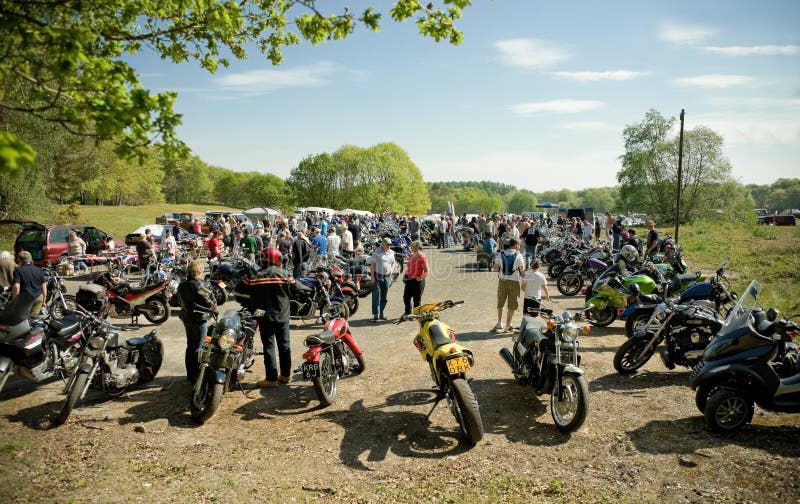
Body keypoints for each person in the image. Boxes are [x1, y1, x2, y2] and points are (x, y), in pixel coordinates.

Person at [235, 247, 295, 388]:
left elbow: (238, 293)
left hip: (263, 316)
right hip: (282, 315)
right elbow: (298, 290)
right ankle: (286, 376)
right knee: (284, 346)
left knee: (269, 346)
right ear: (277, 259)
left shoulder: (254, 276)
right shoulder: (286, 275)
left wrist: (251, 306)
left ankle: (271, 379)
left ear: (263, 259)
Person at [177, 260, 215, 383]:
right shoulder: (200, 285)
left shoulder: (182, 285)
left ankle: (191, 374)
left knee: (190, 345)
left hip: (186, 317)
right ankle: (198, 376)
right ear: (199, 271)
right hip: (199, 318)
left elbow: (178, 301)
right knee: (199, 347)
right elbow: (211, 303)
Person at [492, 238, 525, 332]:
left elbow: (495, 268)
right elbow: (522, 272)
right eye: (519, 244)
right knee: (512, 305)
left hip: (502, 281)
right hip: (514, 282)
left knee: (500, 302)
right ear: (516, 245)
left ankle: (499, 322)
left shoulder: (500, 254)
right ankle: (508, 325)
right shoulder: (519, 255)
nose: (520, 246)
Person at [367, 237, 396, 322]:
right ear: (382, 244)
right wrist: (372, 277)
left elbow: (393, 262)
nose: (389, 246)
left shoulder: (391, 253)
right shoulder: (376, 252)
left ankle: (381, 313)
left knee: (384, 296)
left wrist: (392, 269)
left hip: (387, 277)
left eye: (390, 244)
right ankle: (376, 314)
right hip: (377, 276)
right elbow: (372, 265)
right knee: (376, 295)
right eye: (387, 244)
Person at [11, 251, 46, 316]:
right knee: (33, 319)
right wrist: (44, 300)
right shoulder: (39, 270)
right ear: (30, 259)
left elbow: (16, 286)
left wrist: (15, 300)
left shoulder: (18, 270)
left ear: (19, 260)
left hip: (25, 299)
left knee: (22, 319)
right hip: (38, 298)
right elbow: (44, 286)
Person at [402, 241, 428, 316]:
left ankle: (416, 314)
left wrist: (420, 277)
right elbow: (409, 266)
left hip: (418, 281)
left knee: (416, 300)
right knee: (406, 297)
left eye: (412, 246)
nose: (410, 248)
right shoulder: (412, 255)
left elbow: (426, 271)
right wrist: (406, 274)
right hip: (409, 279)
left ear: (415, 247)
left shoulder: (422, 257)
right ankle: (408, 312)